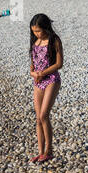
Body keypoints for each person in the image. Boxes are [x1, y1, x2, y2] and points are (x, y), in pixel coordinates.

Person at [29, 14, 64, 163]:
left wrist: (43, 73)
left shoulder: (54, 40)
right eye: (34, 31)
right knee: (38, 119)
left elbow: (59, 64)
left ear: (46, 28)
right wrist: (33, 73)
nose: (37, 34)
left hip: (51, 80)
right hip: (38, 81)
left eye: (39, 31)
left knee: (44, 115)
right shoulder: (35, 42)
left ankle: (49, 151)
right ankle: (40, 151)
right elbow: (32, 65)